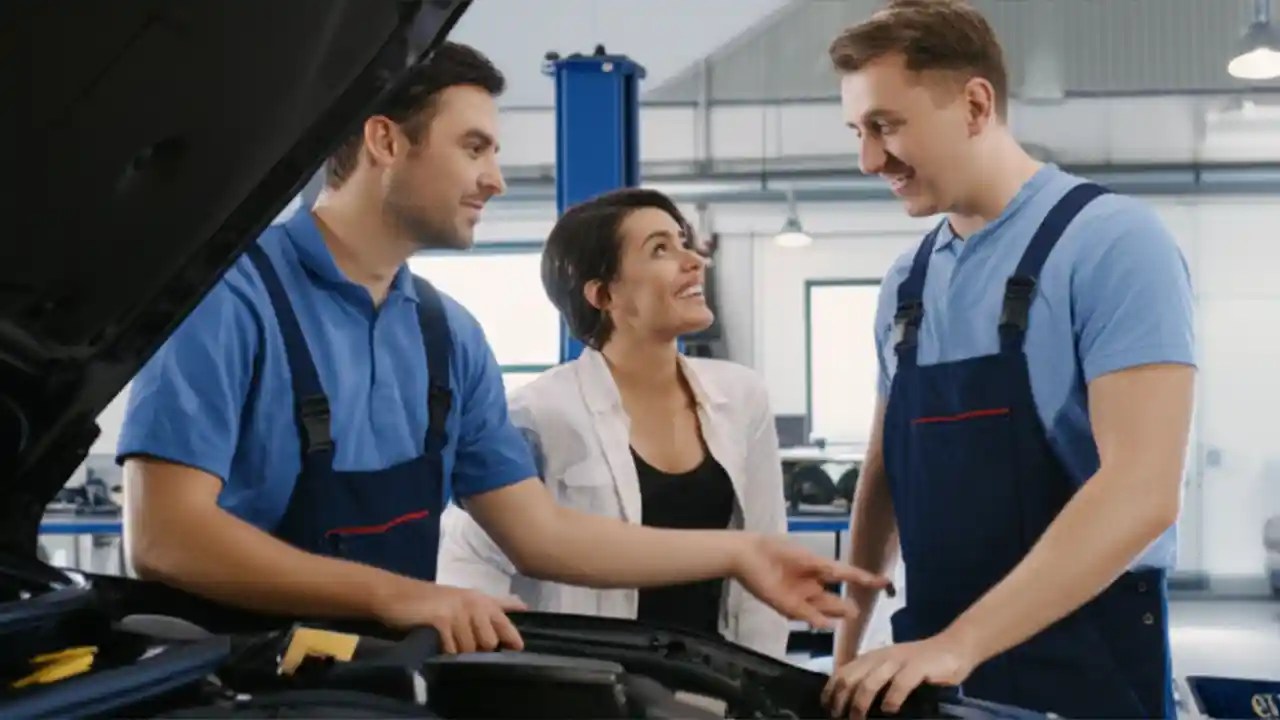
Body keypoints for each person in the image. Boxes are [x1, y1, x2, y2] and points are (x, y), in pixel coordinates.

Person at [117, 42, 887, 657]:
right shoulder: (226, 300)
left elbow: (540, 533)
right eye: (475, 147)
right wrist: (401, 596)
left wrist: (738, 554)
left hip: (379, 680)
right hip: (227, 680)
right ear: (385, 140)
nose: (495, 178)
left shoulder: (449, 336)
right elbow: (165, 537)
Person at [817, 2, 1195, 718]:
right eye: (857, 132)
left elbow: (1144, 489)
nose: (869, 159)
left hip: (1084, 663)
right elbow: (883, 479)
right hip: (931, 665)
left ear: (975, 104)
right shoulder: (908, 282)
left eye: (886, 125)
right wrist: (845, 653)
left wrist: (962, 643)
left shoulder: (1114, 244)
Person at [436, 188, 790, 658]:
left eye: (684, 242)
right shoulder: (536, 416)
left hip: (711, 684)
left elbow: (768, 551)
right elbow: (468, 570)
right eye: (660, 249)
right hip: (588, 690)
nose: (694, 260)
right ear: (603, 294)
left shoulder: (742, 397)